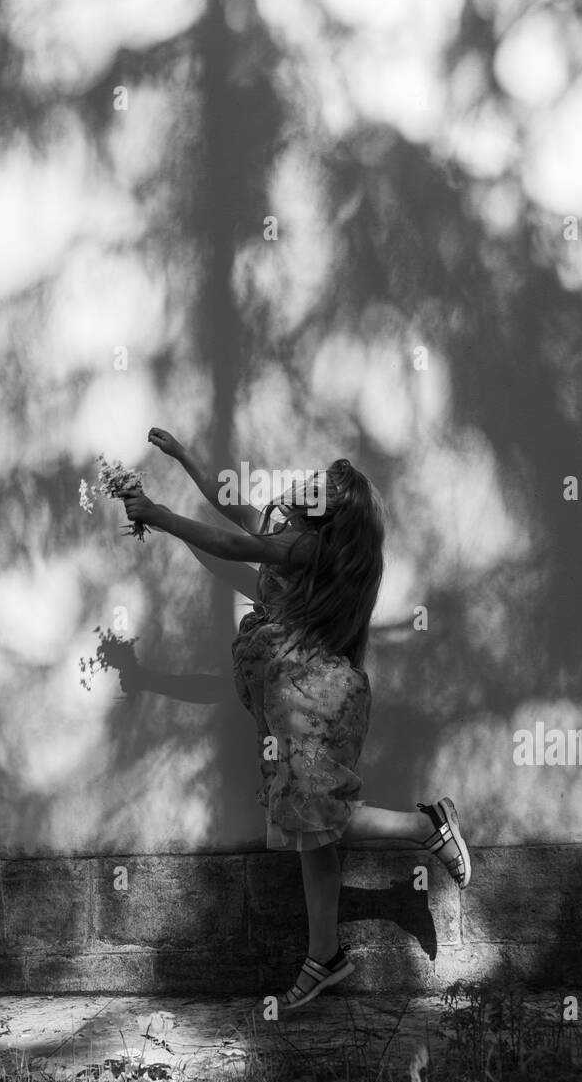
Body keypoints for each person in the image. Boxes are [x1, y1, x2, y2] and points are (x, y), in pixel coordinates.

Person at [123, 428, 471, 1014]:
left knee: (315, 817)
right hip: (300, 696)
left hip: (314, 699)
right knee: (310, 834)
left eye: (322, 490)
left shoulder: (313, 551)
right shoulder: (302, 537)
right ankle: (325, 958)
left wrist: (160, 516)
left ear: (332, 512)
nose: (309, 490)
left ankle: (424, 826)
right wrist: (184, 459)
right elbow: (231, 510)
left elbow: (234, 548)